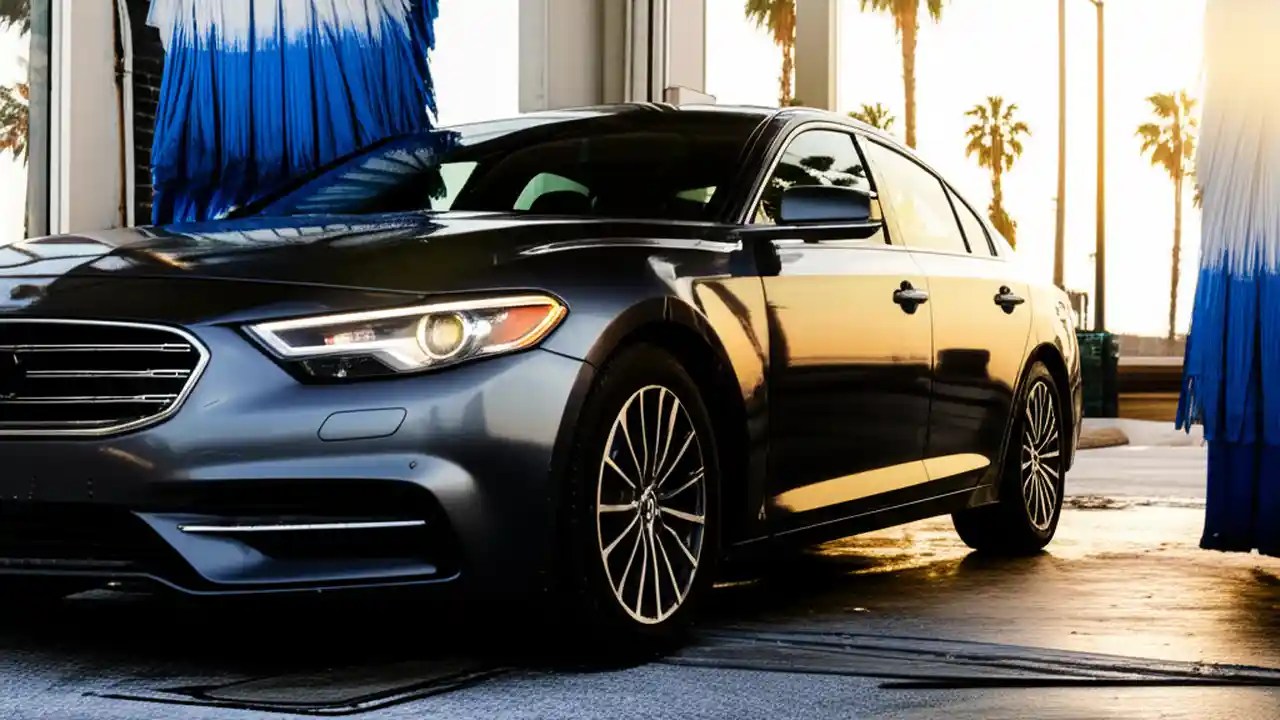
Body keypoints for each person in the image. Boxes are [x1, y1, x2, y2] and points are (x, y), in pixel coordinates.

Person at [1178, 0, 1280, 557]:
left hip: (1239, 224)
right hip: (1246, 209)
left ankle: (1245, 516)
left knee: (1258, 352)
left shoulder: (1227, 43)